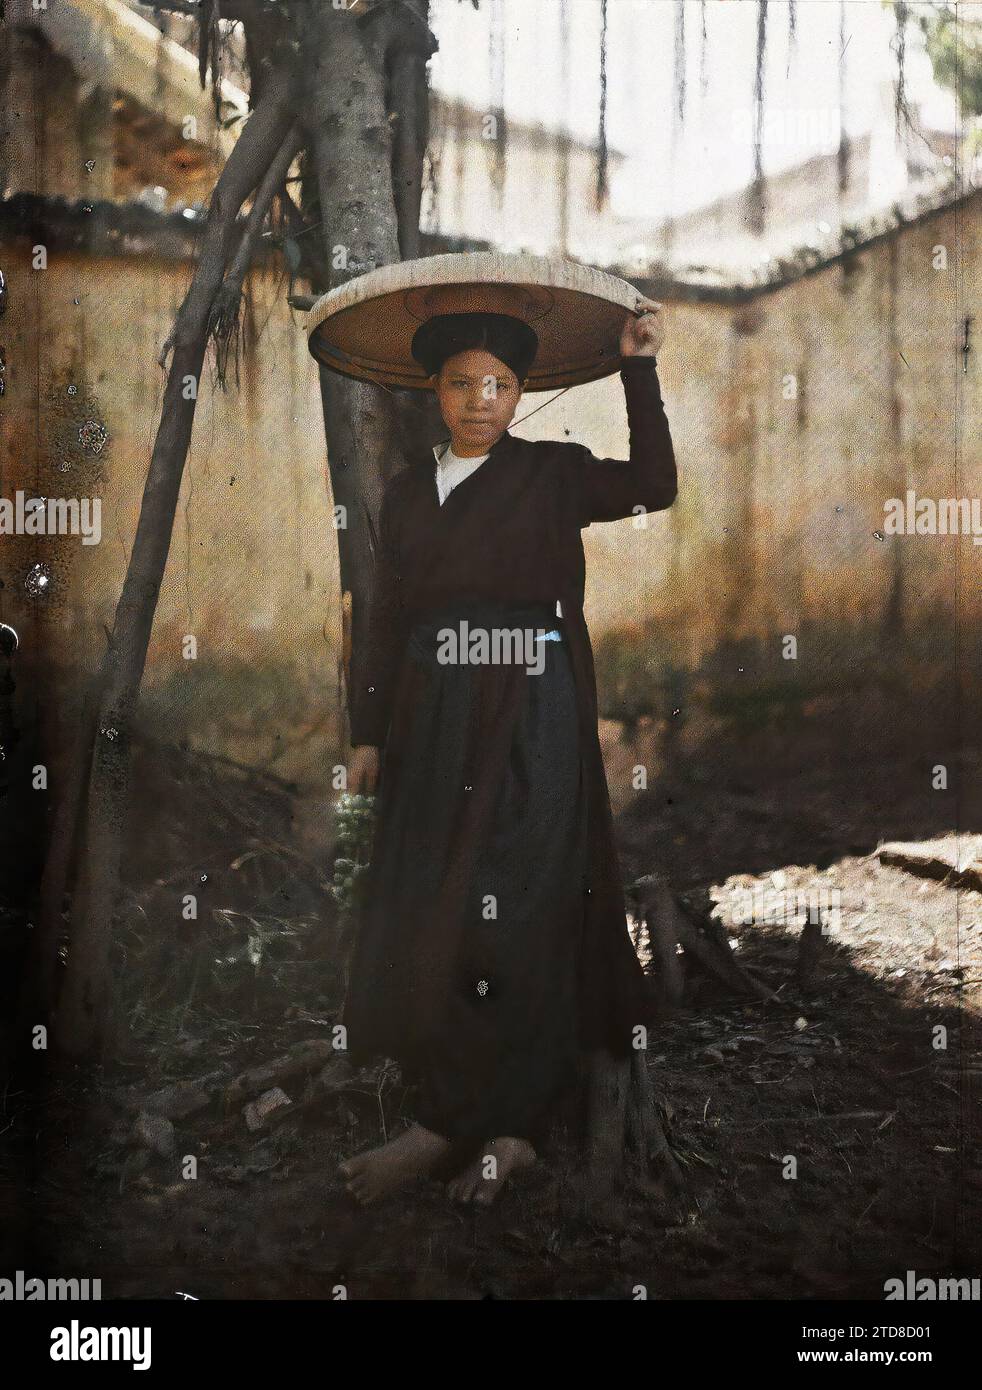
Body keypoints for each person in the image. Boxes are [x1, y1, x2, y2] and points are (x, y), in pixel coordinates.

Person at [339, 300, 676, 1206]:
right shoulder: (411, 492)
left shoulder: (553, 474)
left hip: (533, 708)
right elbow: (388, 618)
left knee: (523, 899)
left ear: (521, 393)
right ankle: (442, 1118)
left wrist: (638, 370)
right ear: (435, 394)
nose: (479, 400)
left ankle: (514, 1128)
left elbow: (655, 485)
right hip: (431, 716)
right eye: (461, 383)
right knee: (437, 897)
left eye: (498, 383)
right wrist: (368, 735)